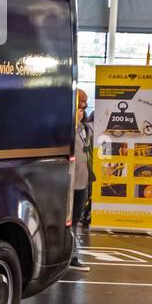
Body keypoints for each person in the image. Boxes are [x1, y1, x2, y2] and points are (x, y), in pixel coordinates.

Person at [70, 88, 92, 271]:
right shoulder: (65, 129)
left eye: (83, 109)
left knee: (75, 221)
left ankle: (72, 256)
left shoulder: (84, 129)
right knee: (68, 222)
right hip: (68, 184)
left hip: (82, 183)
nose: (81, 112)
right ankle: (68, 256)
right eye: (79, 108)